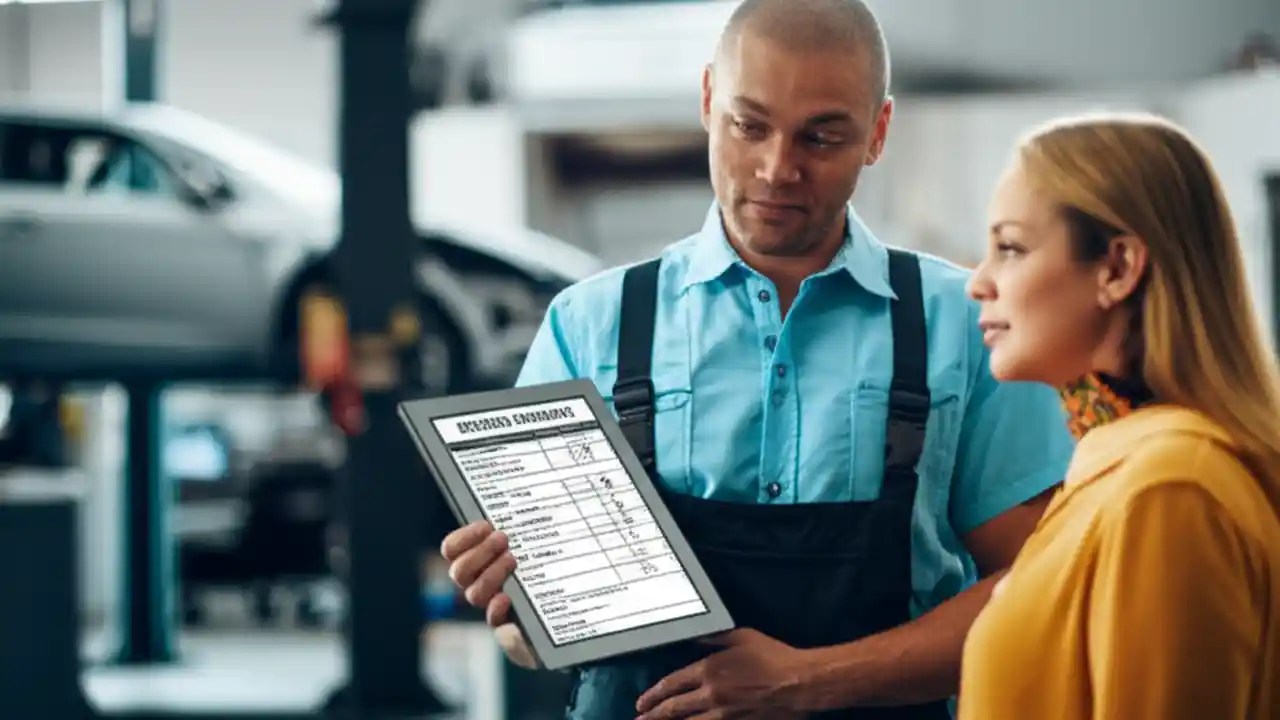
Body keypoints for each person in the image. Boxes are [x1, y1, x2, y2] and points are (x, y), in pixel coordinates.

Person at [441, 0, 1075, 717]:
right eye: (750, 126)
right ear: (710, 101)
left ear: (877, 133)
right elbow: (529, 639)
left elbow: (1040, 590)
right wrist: (517, 610)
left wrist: (811, 681)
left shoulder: (964, 327)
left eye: (821, 137)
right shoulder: (588, 326)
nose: (778, 169)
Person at [959, 113, 1280, 720]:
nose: (979, 282)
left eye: (1011, 248)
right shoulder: (1123, 460)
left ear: (1117, 268)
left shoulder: (1169, 487)